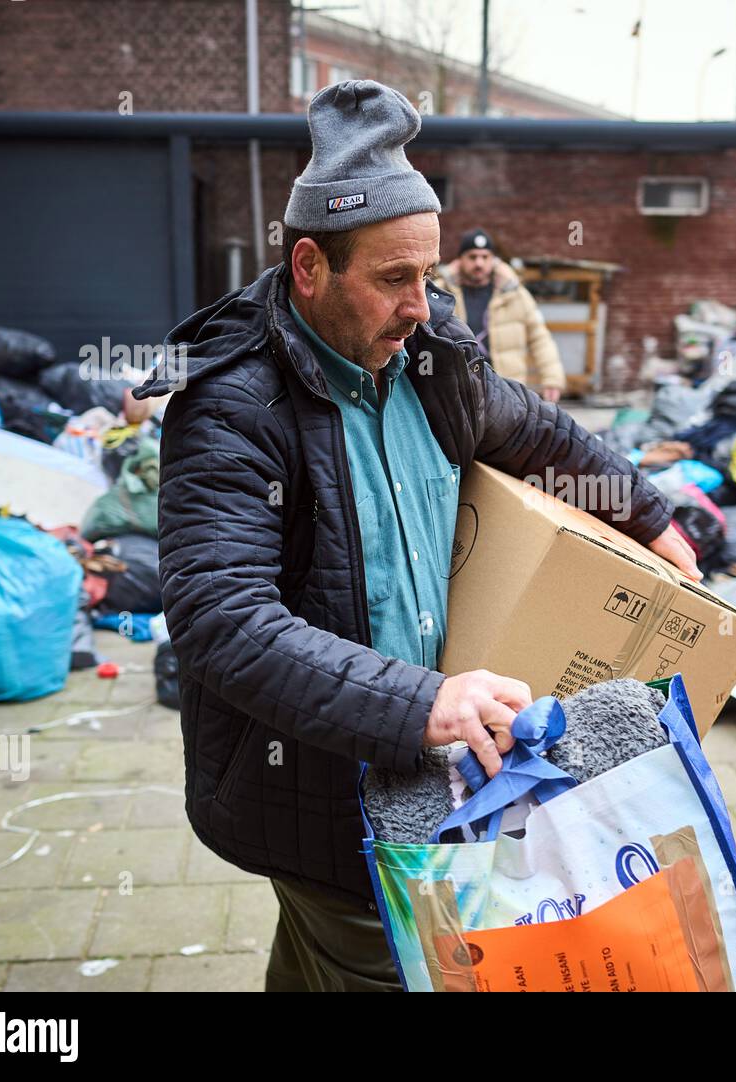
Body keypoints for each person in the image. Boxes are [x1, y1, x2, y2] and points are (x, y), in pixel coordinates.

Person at [131, 80, 700, 992]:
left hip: (426, 772)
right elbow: (220, 618)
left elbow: (536, 429)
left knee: (329, 961)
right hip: (325, 788)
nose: (421, 306)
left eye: (427, 276)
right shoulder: (233, 408)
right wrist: (418, 705)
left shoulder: (432, 362)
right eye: (394, 279)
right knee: (383, 960)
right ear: (310, 267)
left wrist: (649, 513)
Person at [437, 228, 567, 402]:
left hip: (507, 390)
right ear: (460, 259)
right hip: (455, 391)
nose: (479, 263)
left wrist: (552, 379)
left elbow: (539, 337)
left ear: (493, 259)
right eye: (472, 257)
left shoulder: (515, 294)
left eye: (485, 257)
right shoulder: (440, 293)